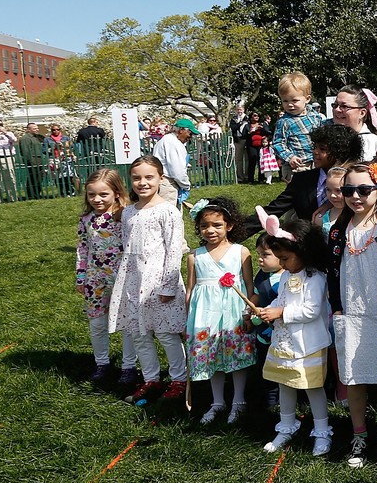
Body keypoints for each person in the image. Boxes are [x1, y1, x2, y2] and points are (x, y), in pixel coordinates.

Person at [327, 162, 377, 468]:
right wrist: (337, 307)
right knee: (353, 374)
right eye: (348, 190)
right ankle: (359, 432)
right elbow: (332, 273)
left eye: (363, 189)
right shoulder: (339, 231)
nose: (355, 196)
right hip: (351, 313)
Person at [109, 156, 189, 407]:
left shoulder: (168, 211)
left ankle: (179, 379)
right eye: (136, 178)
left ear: (160, 179)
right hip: (133, 281)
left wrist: (168, 285)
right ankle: (151, 378)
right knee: (139, 334)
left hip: (159, 280)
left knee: (166, 333)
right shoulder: (129, 213)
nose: (142, 182)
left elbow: (174, 250)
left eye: (148, 177)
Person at [253, 211, 334, 456]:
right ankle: (286, 426)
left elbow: (311, 310)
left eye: (285, 258)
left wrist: (280, 313)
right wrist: (267, 309)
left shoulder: (316, 278)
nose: (282, 263)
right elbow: (282, 298)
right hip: (285, 342)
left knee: (312, 387)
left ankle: (322, 430)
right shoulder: (288, 274)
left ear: (304, 252)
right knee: (285, 384)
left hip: (308, 344)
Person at [184, 197, 255, 425]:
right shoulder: (195, 256)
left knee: (236, 354)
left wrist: (248, 314)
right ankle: (217, 402)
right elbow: (191, 289)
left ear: (229, 225)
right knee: (212, 355)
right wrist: (188, 319)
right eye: (205, 226)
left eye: (217, 225)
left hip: (233, 312)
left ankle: (239, 401)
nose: (210, 230)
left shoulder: (241, 252)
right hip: (206, 314)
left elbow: (249, 286)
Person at [245, 122, 362, 237]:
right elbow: (273, 210)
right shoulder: (302, 180)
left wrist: (329, 205)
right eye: (314, 147)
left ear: (341, 152)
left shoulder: (357, 180)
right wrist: (232, 235)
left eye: (322, 149)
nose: (315, 152)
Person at [76, 169, 133, 382]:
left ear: (116, 193)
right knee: (97, 323)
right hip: (95, 279)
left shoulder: (126, 215)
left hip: (123, 277)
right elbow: (82, 249)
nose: (97, 199)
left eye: (103, 194)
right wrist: (81, 277)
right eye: (92, 195)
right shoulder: (86, 219)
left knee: (126, 322)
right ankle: (102, 363)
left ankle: (128, 366)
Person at [248, 233, 282, 408]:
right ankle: (269, 399)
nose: (260, 260)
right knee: (265, 365)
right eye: (259, 255)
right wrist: (250, 306)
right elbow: (256, 294)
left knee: (281, 367)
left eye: (266, 255)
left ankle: (284, 398)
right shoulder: (262, 275)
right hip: (263, 332)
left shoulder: (288, 278)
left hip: (280, 331)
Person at [272, 72, 326, 175]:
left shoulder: (314, 116)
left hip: (317, 162)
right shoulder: (284, 122)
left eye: (294, 100)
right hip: (297, 166)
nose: (290, 105)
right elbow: (277, 143)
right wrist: (290, 157)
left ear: (307, 99)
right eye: (285, 101)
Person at [152, 118, 199, 205]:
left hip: (161, 182)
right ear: (181, 130)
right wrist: (186, 186)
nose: (190, 137)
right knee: (170, 216)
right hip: (168, 184)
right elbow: (177, 172)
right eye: (190, 133)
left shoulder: (165, 140)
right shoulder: (174, 143)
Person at [330, 85, 377, 162]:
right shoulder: (327, 140)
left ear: (362, 113)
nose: (337, 110)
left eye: (344, 106)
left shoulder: (374, 143)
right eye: (335, 105)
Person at [44, 123, 78, 197]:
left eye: (57, 129)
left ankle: (70, 190)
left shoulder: (65, 138)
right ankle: (62, 192)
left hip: (65, 159)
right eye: (53, 130)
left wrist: (64, 147)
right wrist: (53, 147)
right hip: (54, 159)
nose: (55, 131)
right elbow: (44, 150)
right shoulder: (47, 139)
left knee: (68, 176)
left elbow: (72, 147)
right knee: (57, 177)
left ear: (60, 130)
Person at [16, 122, 46, 199]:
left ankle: (37, 194)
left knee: (39, 178)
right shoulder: (25, 138)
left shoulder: (36, 137)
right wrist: (30, 161)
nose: (37, 130)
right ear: (29, 129)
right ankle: (31, 195)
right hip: (33, 160)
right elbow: (25, 151)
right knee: (33, 179)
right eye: (34, 128)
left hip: (39, 160)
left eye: (37, 128)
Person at [318, 165, 348, 237]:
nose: (332, 195)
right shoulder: (321, 219)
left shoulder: (357, 214)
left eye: (338, 190)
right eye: (328, 190)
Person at [230, 106, 253, 183]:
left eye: (241, 109)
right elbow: (233, 128)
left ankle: (247, 176)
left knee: (247, 159)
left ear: (244, 110)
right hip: (238, 139)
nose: (239, 111)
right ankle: (240, 177)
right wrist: (240, 123)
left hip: (248, 139)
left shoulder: (248, 118)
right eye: (238, 109)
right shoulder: (234, 119)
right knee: (238, 159)